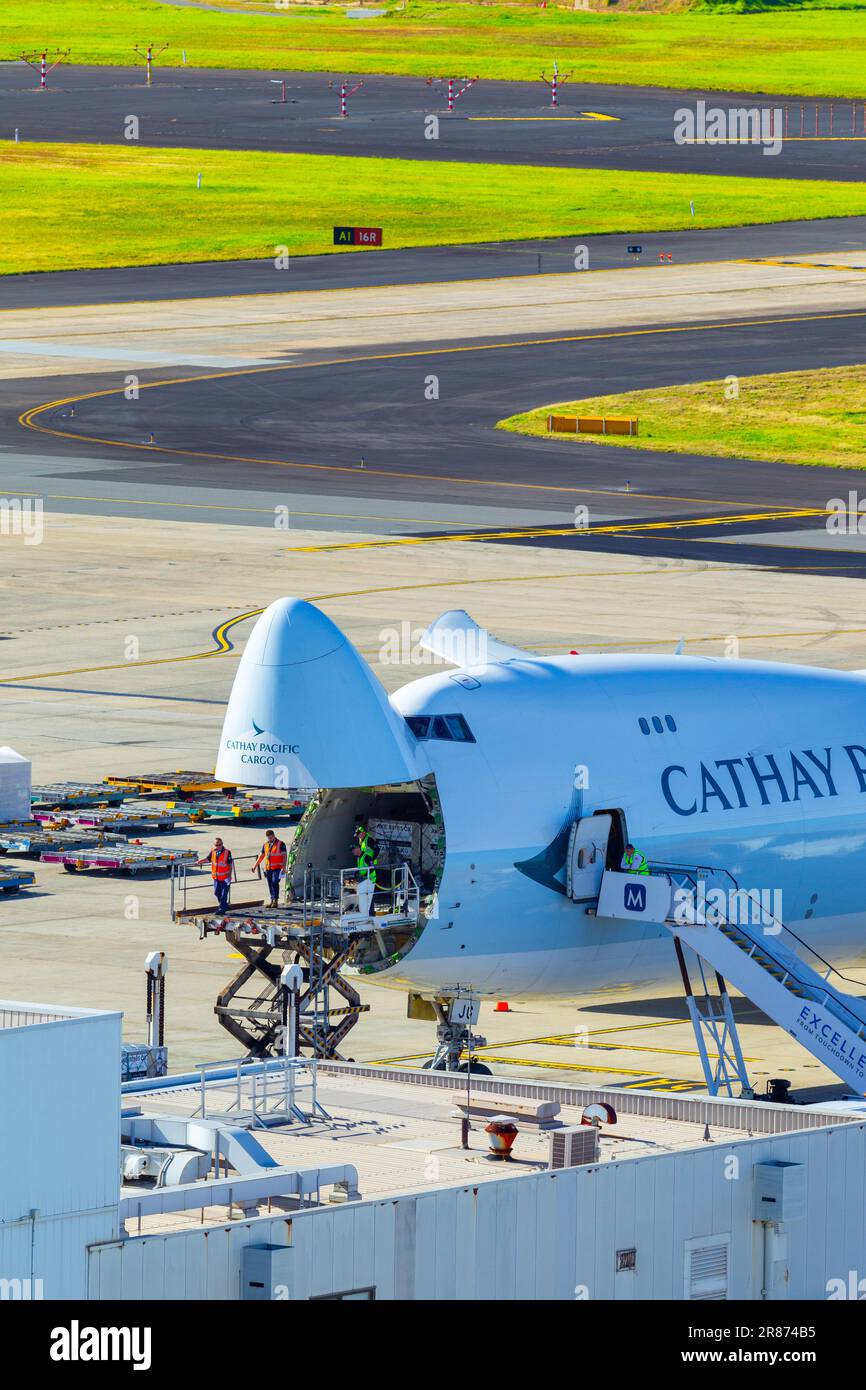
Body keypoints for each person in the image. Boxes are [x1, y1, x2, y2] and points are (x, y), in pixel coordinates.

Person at [197, 836, 234, 912]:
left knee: (224, 895)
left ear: (222, 844)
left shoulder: (227, 852)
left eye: (219, 845)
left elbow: (230, 864)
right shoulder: (213, 851)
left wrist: (229, 876)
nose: (217, 846)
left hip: (225, 878)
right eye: (216, 845)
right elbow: (208, 859)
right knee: (217, 893)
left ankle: (221, 909)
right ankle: (224, 906)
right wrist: (200, 861)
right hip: (216, 878)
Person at [254, 829, 287, 909]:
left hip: (278, 868)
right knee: (270, 884)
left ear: (274, 835)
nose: (270, 839)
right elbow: (261, 856)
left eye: (271, 837)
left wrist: (284, 867)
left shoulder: (280, 844)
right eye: (268, 838)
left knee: (274, 882)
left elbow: (284, 856)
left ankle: (275, 900)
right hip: (269, 868)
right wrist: (255, 865)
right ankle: (272, 900)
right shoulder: (265, 845)